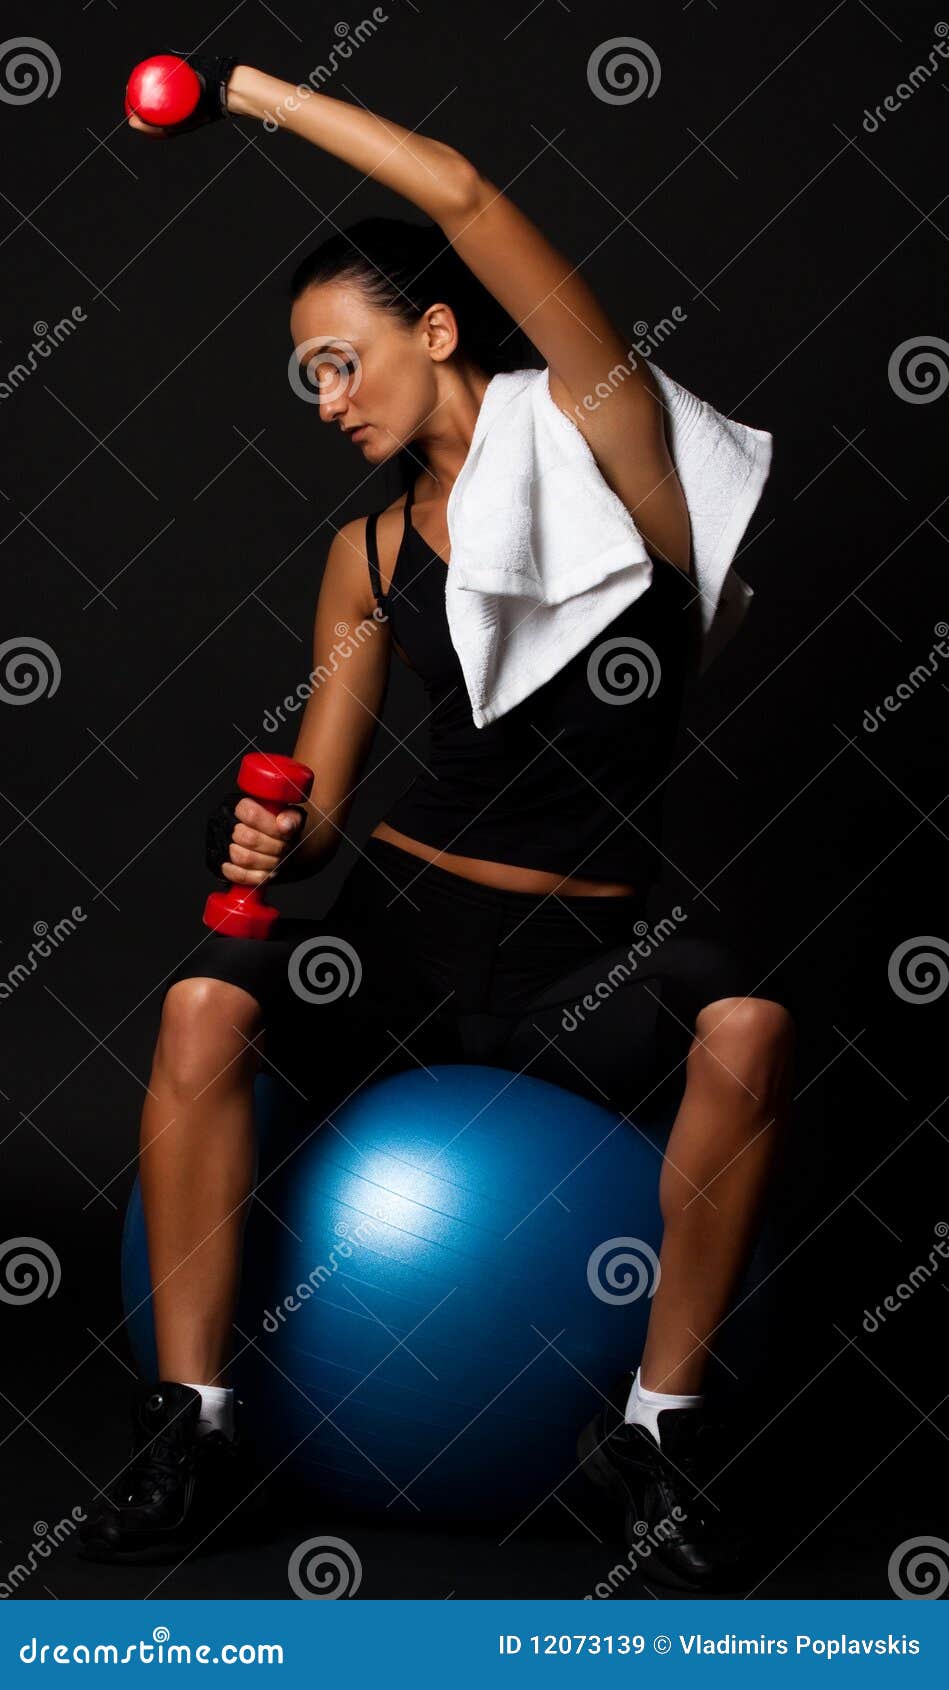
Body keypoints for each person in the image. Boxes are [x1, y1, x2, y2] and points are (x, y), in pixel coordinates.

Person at [79, 53, 795, 1586]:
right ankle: (191, 1421)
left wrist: (249, 92)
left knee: (748, 1032)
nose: (326, 400)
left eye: (343, 361)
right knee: (204, 1007)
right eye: (308, 378)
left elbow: (463, 192)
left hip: (583, 951)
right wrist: (268, 838)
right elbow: (323, 810)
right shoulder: (366, 550)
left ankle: (660, 1437)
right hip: (401, 930)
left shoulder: (618, 460)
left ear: (440, 329)